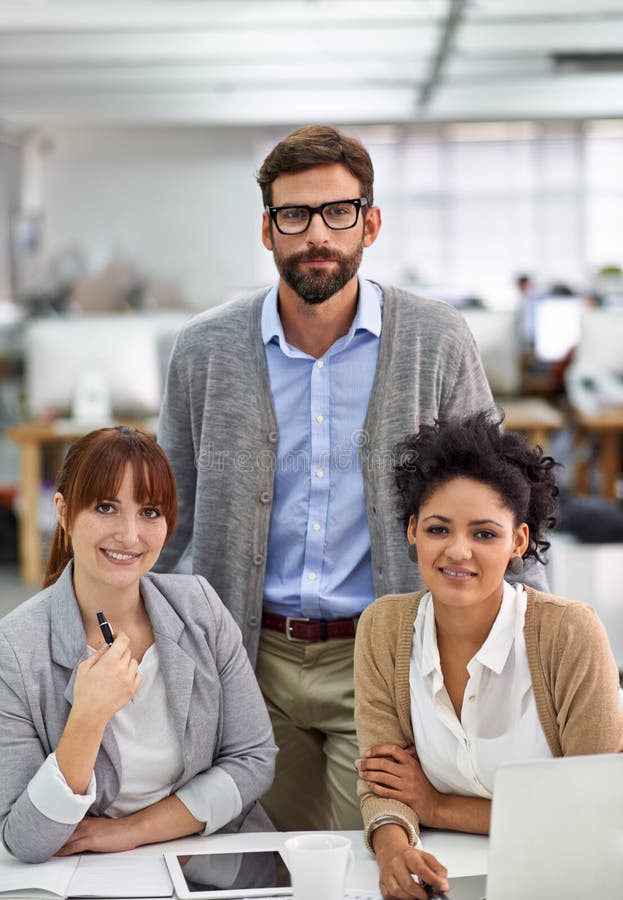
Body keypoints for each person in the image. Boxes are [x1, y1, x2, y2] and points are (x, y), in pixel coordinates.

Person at [156, 124, 545, 832]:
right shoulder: (205, 350)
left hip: (382, 656)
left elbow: (499, 490)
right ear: (267, 230)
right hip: (246, 657)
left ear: (369, 223)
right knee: (258, 861)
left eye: (337, 212)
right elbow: (164, 516)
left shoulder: (434, 339)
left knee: (370, 855)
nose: (316, 234)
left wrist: (541, 642)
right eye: (293, 215)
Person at [354, 411, 623, 900]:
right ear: (412, 531)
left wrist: (436, 807)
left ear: (518, 540)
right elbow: (383, 785)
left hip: (571, 875)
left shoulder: (569, 634)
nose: (458, 551)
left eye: (484, 534)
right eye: (438, 529)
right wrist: (394, 852)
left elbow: (593, 812)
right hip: (451, 874)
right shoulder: (383, 628)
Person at [0, 426, 276, 864]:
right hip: (89, 874)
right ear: (63, 512)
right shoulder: (15, 648)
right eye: (106, 508)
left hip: (210, 863)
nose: (130, 536)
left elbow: (254, 759)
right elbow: (25, 839)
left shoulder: (200, 607)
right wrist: (88, 717)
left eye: (149, 512)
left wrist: (134, 830)